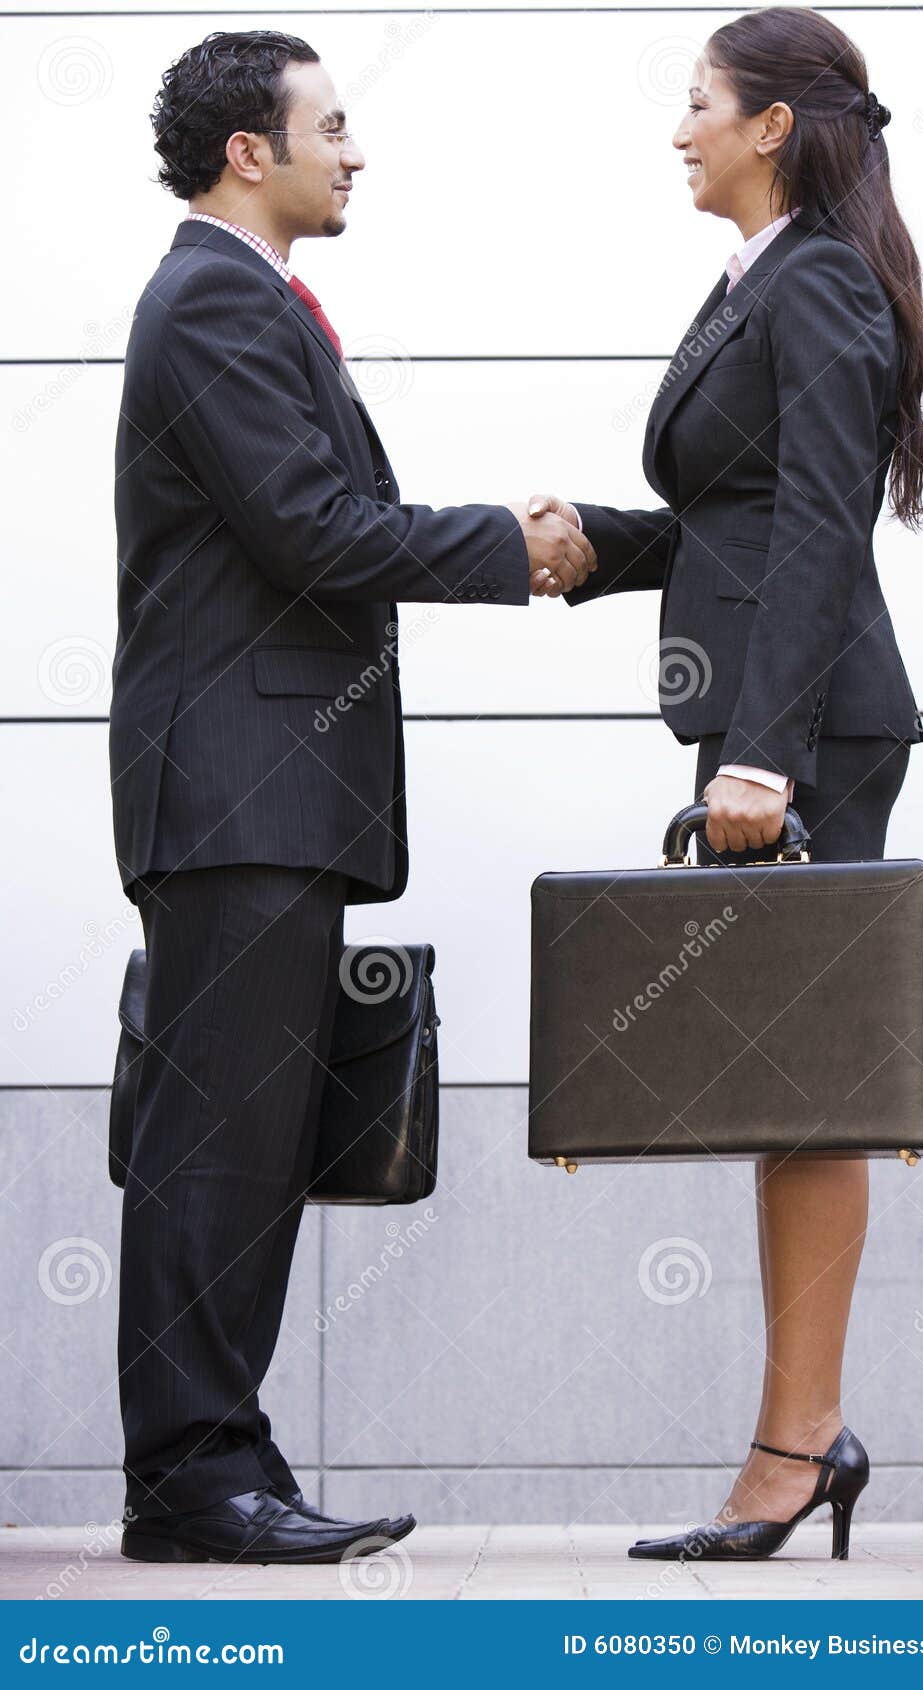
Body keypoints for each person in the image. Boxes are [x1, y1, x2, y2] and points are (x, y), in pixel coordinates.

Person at [110, 28, 594, 1565]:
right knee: (219, 1141)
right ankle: (192, 1475)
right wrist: (511, 546)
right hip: (237, 795)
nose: (355, 152)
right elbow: (316, 530)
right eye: (331, 126)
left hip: (266, 797)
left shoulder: (246, 300)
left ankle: (220, 1454)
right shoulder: (210, 300)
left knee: (255, 1140)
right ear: (247, 150)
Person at [529, 5, 923, 1561]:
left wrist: (763, 749)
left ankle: (797, 1446)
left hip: (808, 730)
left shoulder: (816, 279)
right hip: (782, 721)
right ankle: (799, 1437)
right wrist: (594, 548)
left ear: (773, 125)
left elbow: (826, 519)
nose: (681, 127)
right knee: (791, 1090)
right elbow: (743, 513)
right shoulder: (765, 277)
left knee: (813, 1093)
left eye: (700, 100)